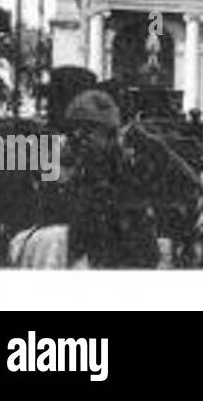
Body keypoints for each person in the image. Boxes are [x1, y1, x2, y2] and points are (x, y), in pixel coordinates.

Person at [60, 89, 160, 269]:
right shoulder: (75, 154)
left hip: (123, 246)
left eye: (89, 129)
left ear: (109, 133)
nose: (80, 135)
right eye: (77, 129)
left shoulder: (126, 161)